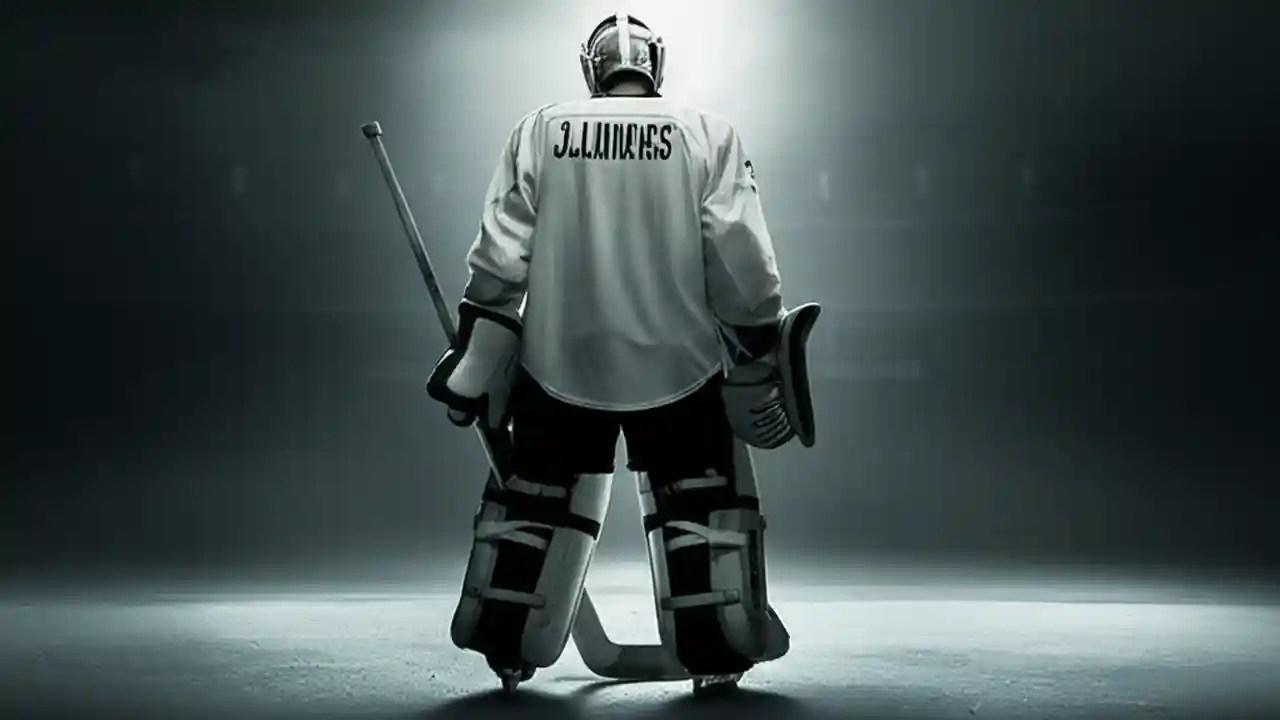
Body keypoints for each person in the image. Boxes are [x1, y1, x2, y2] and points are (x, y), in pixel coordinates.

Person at [426, 12, 818, 693]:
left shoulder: (541, 128)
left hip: (557, 365)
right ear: (655, 68)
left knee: (536, 501)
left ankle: (510, 642)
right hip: (681, 365)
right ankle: (716, 647)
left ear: (592, 68)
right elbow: (741, 261)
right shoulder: (706, 131)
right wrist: (758, 336)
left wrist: (477, 350)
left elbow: (499, 259)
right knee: (697, 507)